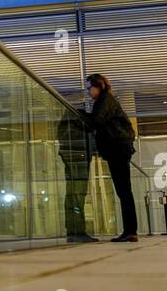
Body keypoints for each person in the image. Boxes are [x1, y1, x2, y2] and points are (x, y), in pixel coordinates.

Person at [85, 73, 138, 242]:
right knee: (124, 191)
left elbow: (96, 121)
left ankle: (130, 231)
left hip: (117, 148)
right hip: (119, 148)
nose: (88, 92)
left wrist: (80, 115)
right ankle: (130, 230)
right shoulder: (107, 100)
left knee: (123, 191)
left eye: (89, 88)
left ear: (98, 86)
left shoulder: (104, 100)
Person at [57, 108, 97, 242]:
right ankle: (77, 231)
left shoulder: (67, 126)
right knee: (77, 195)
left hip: (75, 159)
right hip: (78, 159)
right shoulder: (79, 128)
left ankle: (74, 230)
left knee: (74, 195)